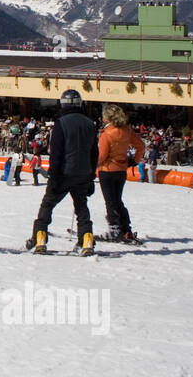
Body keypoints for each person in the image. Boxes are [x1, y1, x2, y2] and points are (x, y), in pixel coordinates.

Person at [26, 90, 99, 254]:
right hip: (83, 173)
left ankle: (40, 237)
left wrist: (54, 175)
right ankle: (86, 239)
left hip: (64, 172)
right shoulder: (89, 123)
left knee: (48, 204)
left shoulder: (61, 122)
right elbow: (94, 153)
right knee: (81, 208)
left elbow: (56, 152)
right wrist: (91, 175)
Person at [96, 104, 145, 243]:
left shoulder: (106, 135)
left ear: (108, 118)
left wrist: (92, 164)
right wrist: (134, 160)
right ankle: (125, 228)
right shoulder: (126, 130)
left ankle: (115, 229)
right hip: (121, 170)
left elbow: (102, 156)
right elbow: (141, 146)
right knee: (117, 200)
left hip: (107, 171)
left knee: (110, 202)